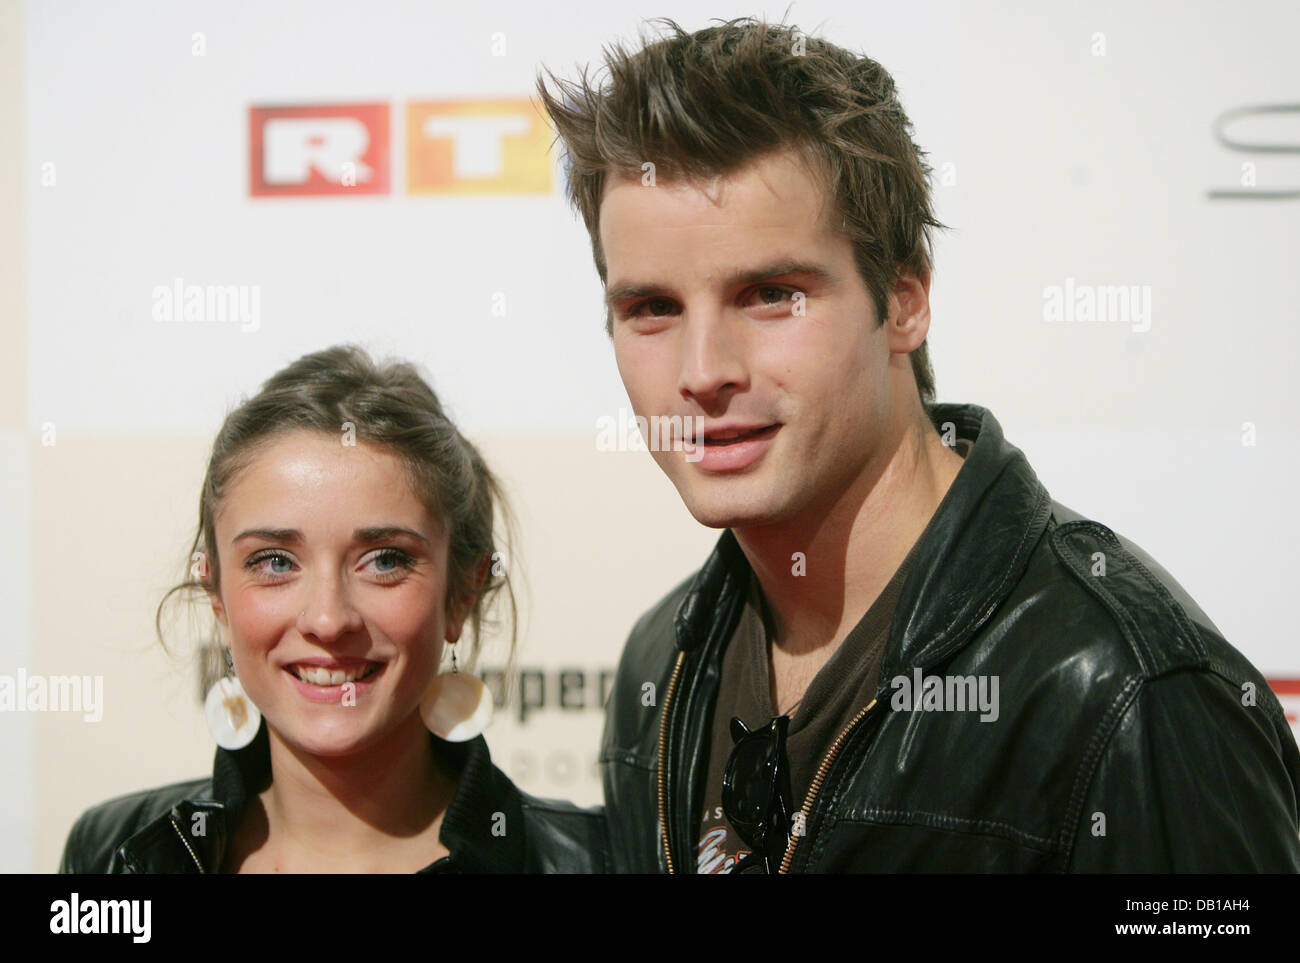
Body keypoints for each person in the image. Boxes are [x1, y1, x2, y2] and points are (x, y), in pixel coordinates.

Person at [536, 17, 1300, 872]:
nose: (704, 372)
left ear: (903, 300)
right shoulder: (665, 664)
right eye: (652, 309)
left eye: (771, 293)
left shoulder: (1123, 690)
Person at [59, 345, 604, 873]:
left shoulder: (592, 862)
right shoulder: (113, 853)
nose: (327, 620)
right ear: (217, 598)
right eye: (275, 562)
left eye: (384, 560)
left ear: (461, 592)